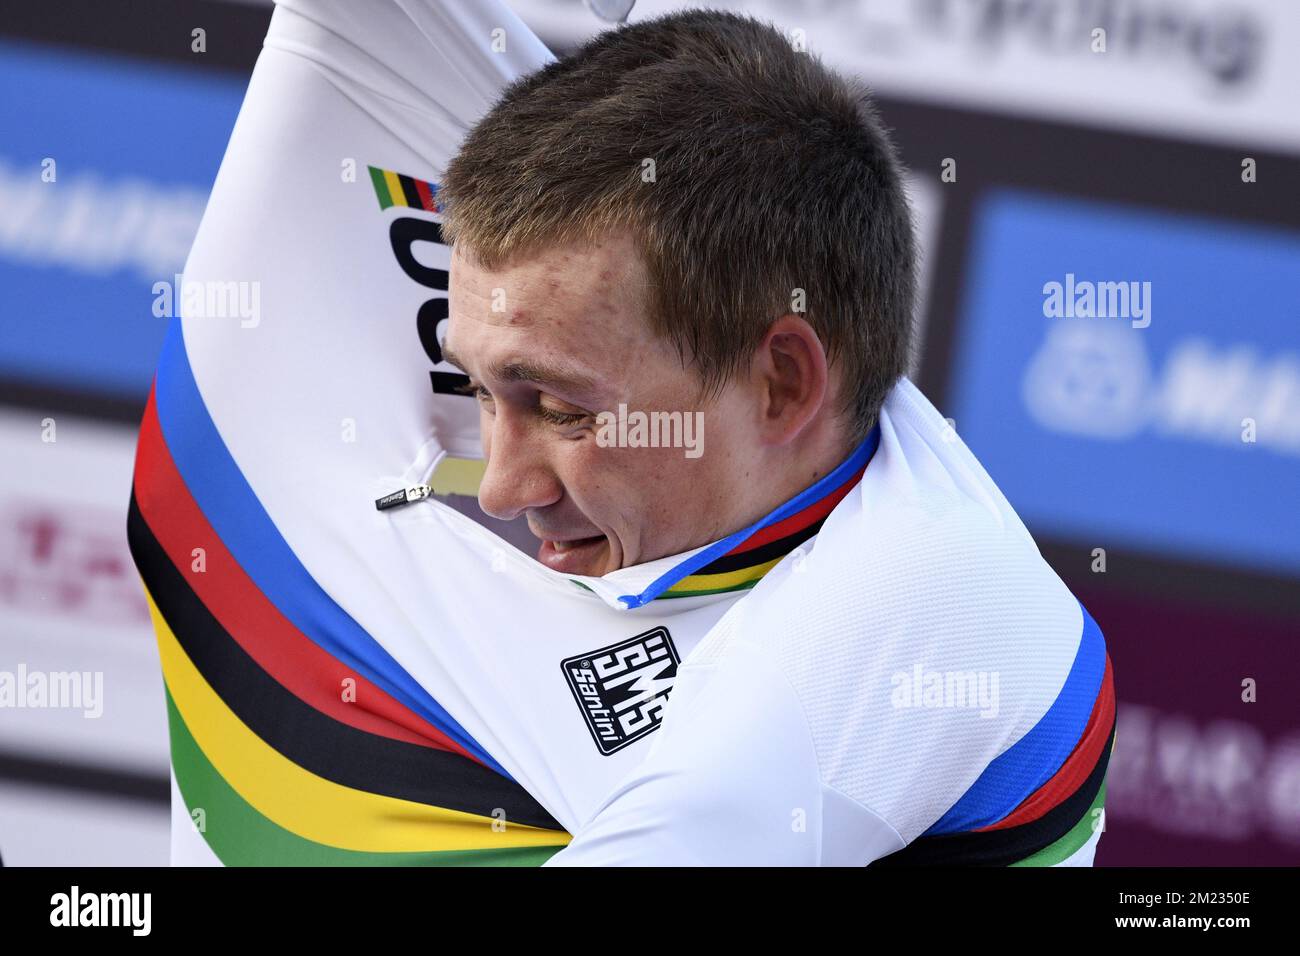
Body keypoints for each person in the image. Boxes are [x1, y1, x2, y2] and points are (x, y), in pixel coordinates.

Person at [129, 0, 1111, 866]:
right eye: (474, 387)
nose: (500, 485)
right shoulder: (368, 81)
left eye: (559, 406)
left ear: (780, 384)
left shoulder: (908, 623)